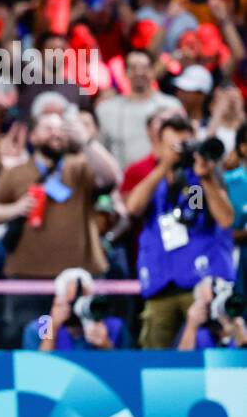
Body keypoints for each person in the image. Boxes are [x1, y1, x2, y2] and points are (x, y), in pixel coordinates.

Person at [125, 116, 235, 349]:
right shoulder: (156, 181)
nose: (180, 151)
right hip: (161, 285)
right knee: (156, 361)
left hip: (202, 287)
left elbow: (225, 219)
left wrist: (205, 176)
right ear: (159, 147)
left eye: (185, 144)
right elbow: (133, 207)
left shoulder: (204, 178)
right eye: (173, 146)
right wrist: (163, 166)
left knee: (207, 348)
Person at [0, 110, 117, 279]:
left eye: (60, 129)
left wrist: (86, 142)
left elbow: (111, 178)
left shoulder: (80, 166)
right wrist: (16, 209)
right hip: (27, 274)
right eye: (48, 128)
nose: (55, 133)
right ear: (32, 136)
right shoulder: (15, 172)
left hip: (81, 272)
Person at [95, 51, 181, 170]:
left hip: (160, 181)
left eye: (145, 68)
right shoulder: (107, 110)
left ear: (152, 71)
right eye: (133, 68)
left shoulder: (171, 106)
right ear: (125, 72)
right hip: (123, 182)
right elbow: (101, 151)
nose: (139, 72)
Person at [25, 267, 130, 351]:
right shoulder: (41, 327)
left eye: (85, 299)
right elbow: (38, 371)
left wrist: (106, 345)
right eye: (73, 301)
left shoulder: (114, 327)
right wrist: (52, 328)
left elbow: (127, 371)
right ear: (58, 301)